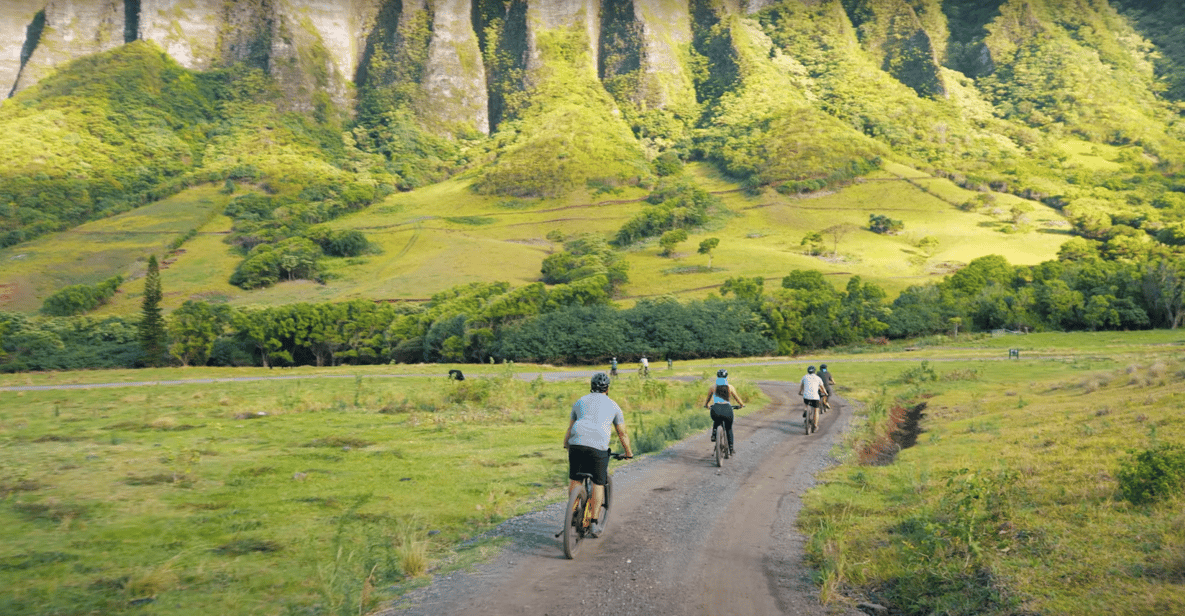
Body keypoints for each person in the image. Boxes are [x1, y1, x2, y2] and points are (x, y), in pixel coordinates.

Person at [563, 373, 634, 538]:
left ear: (591, 386)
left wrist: (567, 445)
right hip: (598, 448)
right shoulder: (614, 406)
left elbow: (570, 429)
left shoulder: (579, 401)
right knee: (598, 482)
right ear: (607, 389)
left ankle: (572, 514)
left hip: (576, 445)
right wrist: (628, 453)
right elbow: (622, 433)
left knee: (575, 478)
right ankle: (594, 522)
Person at [703, 369, 745, 454]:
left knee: (717, 420)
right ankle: (731, 448)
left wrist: (707, 405)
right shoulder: (730, 387)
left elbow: (707, 400)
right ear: (726, 377)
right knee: (729, 428)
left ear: (717, 376)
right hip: (727, 410)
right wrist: (741, 405)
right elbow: (737, 399)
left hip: (716, 409)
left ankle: (714, 434)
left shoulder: (712, 387)